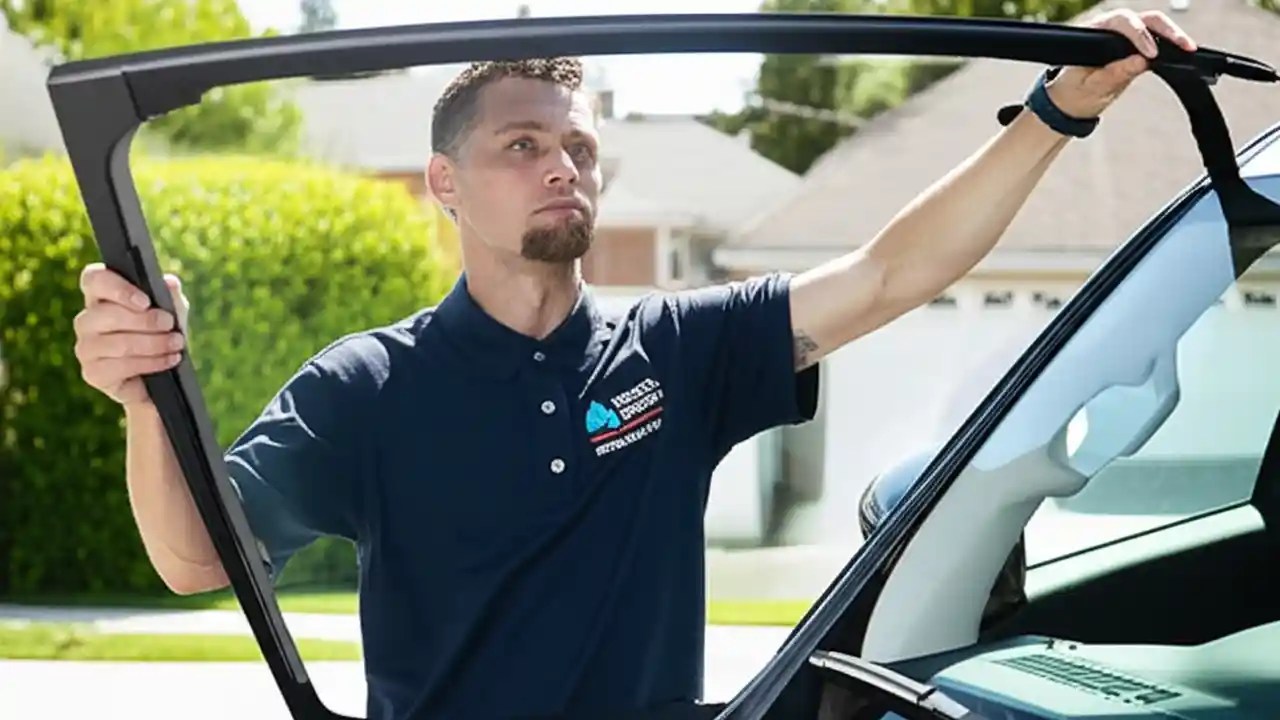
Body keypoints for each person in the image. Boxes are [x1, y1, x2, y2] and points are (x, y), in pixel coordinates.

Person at [71, 9, 1196, 719]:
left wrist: (1054, 112)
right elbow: (188, 559)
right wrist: (139, 391)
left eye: (577, 146)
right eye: (522, 146)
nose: (562, 164)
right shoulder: (363, 389)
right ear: (444, 185)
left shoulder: (677, 348)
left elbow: (890, 275)